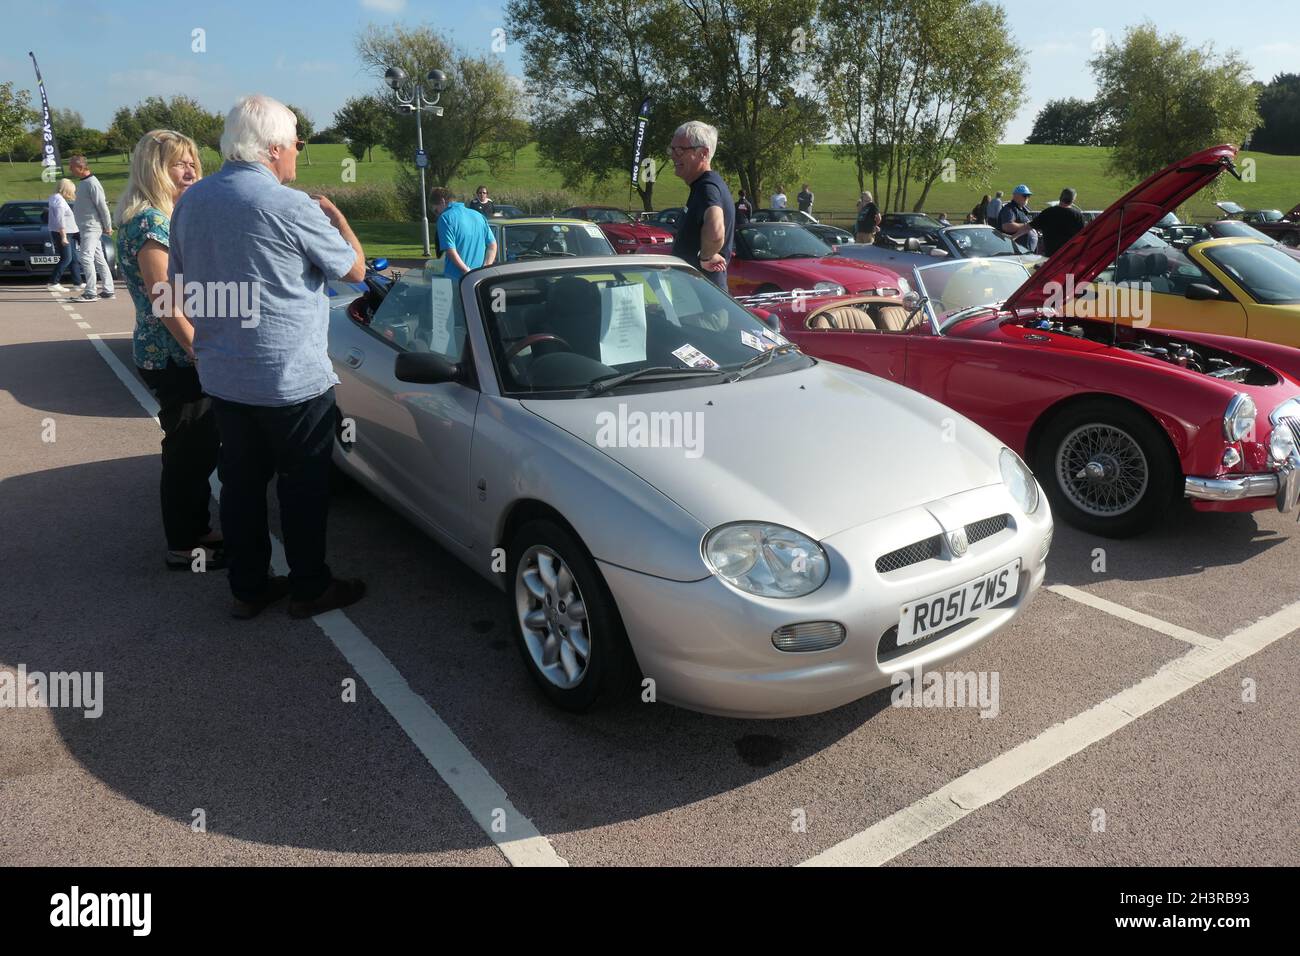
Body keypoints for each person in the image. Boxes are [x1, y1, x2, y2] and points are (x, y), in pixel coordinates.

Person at [169, 94, 367, 620]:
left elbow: (177, 289)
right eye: (298, 142)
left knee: (240, 487)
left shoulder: (192, 201)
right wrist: (338, 218)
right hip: (289, 378)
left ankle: (248, 588)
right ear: (275, 147)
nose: (299, 153)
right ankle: (309, 587)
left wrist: (209, 341)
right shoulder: (289, 204)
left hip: (224, 376)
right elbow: (354, 272)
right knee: (303, 487)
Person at [116, 129, 221, 571]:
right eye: (179, 162)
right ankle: (184, 545)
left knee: (191, 447)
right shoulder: (150, 223)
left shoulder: (166, 217)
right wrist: (198, 350)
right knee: (188, 450)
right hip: (174, 356)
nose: (191, 169)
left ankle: (196, 529)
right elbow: (164, 299)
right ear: (154, 169)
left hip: (172, 353)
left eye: (193, 160)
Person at [669, 120, 734, 291]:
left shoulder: (707, 188)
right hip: (700, 295)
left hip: (703, 300)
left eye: (680, 150)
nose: (673, 155)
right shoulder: (704, 186)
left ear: (703, 153)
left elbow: (715, 233)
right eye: (672, 149)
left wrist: (706, 257)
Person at [68, 154, 114, 302]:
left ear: (81, 167)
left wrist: (108, 226)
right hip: (85, 227)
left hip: (91, 227)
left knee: (85, 257)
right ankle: (108, 289)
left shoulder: (92, 183)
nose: (70, 169)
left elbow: (102, 206)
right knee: (98, 258)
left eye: (72, 166)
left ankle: (90, 292)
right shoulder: (84, 183)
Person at [431, 187, 497, 280]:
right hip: (480, 277)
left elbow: (450, 251)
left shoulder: (445, 218)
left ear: (442, 201)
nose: (436, 214)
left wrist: (467, 272)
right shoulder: (478, 215)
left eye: (436, 210)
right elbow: (492, 245)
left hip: (456, 278)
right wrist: (484, 268)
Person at [47, 178, 83, 293]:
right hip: (64, 233)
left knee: (73, 259)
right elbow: (60, 220)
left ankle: (78, 282)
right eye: (72, 190)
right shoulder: (59, 202)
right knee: (66, 258)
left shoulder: (56, 199)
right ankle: (53, 282)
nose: (73, 193)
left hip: (69, 232)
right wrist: (63, 237)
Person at [1029, 187, 1087, 257]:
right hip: (1068, 256)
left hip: (1050, 257)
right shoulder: (1078, 216)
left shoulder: (1048, 212)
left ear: (1060, 197)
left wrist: (1014, 236)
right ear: (1073, 200)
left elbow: (1030, 226)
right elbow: (1083, 236)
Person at [998, 184, 1038, 252]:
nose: (1027, 198)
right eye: (1025, 196)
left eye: (1028, 196)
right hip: (1017, 252)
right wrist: (1028, 225)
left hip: (1026, 251)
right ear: (1016, 196)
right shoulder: (1009, 209)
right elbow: (1007, 226)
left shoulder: (1021, 209)